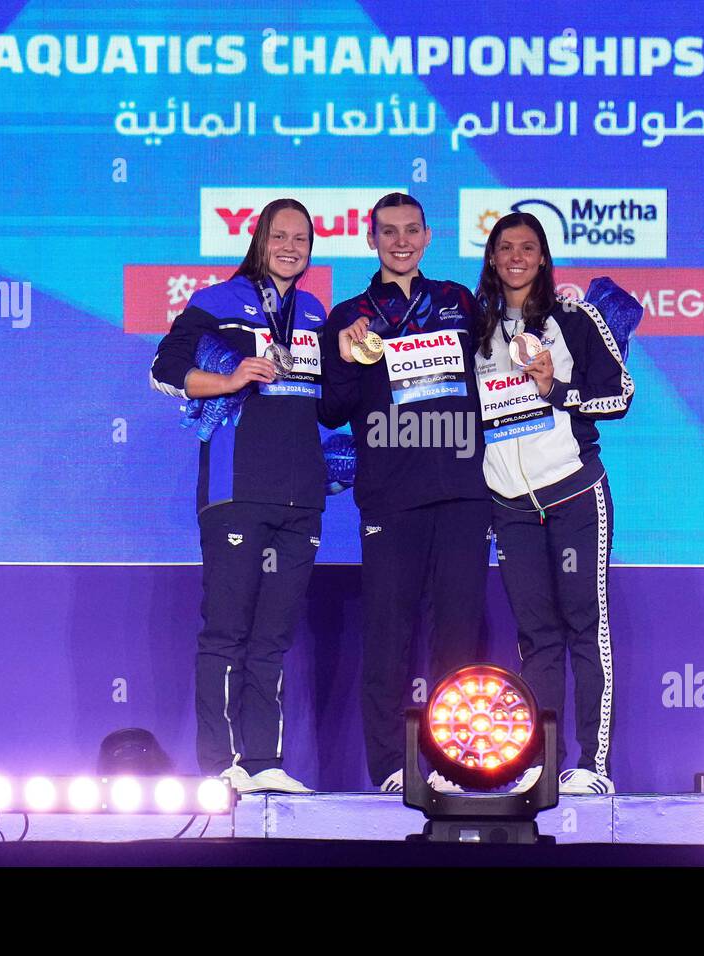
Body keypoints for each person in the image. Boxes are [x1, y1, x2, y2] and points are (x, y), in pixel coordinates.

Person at [150, 199, 327, 794]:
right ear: (259, 239)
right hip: (237, 489)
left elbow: (326, 399)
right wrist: (229, 379)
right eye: (280, 235)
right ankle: (219, 768)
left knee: (273, 636)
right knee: (227, 630)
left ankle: (264, 762)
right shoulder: (217, 301)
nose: (290, 246)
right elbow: (164, 369)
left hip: (301, 494)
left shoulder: (314, 311)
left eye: (301, 237)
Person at [320, 193, 490, 793]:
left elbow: (502, 363)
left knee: (458, 636)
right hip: (390, 495)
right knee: (388, 635)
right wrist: (343, 357)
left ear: (428, 236)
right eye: (387, 232)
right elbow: (333, 407)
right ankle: (391, 766)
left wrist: (561, 309)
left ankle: (454, 761)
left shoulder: (460, 302)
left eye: (411, 231)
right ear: (370, 239)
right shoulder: (348, 314)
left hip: (464, 491)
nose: (400, 241)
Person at [472, 213, 634, 795]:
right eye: (505, 247)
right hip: (509, 505)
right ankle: (542, 765)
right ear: (491, 257)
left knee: (585, 630)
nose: (516, 257)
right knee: (535, 636)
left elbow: (619, 395)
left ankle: (592, 766)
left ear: (543, 258)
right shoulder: (474, 324)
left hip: (573, 494)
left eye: (528, 248)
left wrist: (555, 390)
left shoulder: (574, 317)